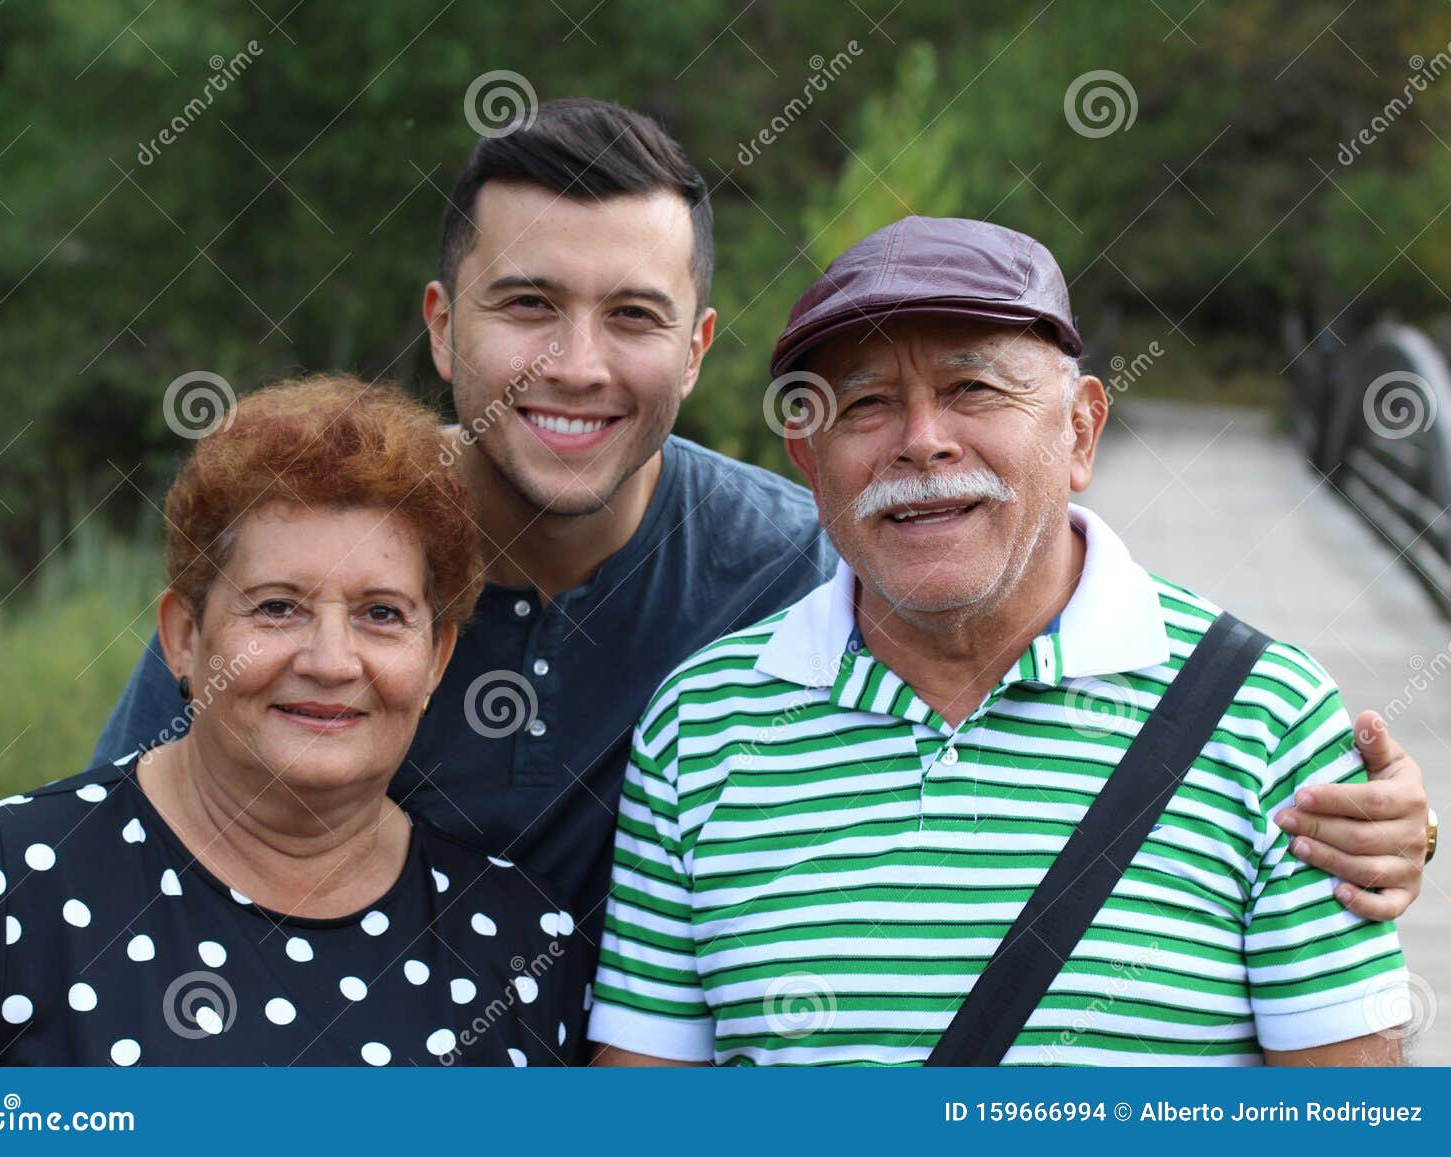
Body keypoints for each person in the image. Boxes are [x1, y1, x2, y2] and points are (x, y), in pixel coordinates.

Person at [89, 100, 1431, 946]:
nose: (576, 365)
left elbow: (1064, 640)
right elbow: (107, 843)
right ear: (443, 328)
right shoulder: (314, 561)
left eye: (632, 317)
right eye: (525, 307)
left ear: (699, 346)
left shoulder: (802, 563)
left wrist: (1331, 800)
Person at [588, 217, 1413, 1067]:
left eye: (973, 389)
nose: (922, 440)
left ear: (1080, 432)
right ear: (808, 455)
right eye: (866, 403)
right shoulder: (701, 726)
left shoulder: (1266, 717)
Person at [0, 376, 587, 1067]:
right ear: (183, 636)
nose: (331, 660)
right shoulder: (3, 882)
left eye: (382, 614)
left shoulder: (523, 945)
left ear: (436, 657)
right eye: (277, 606)